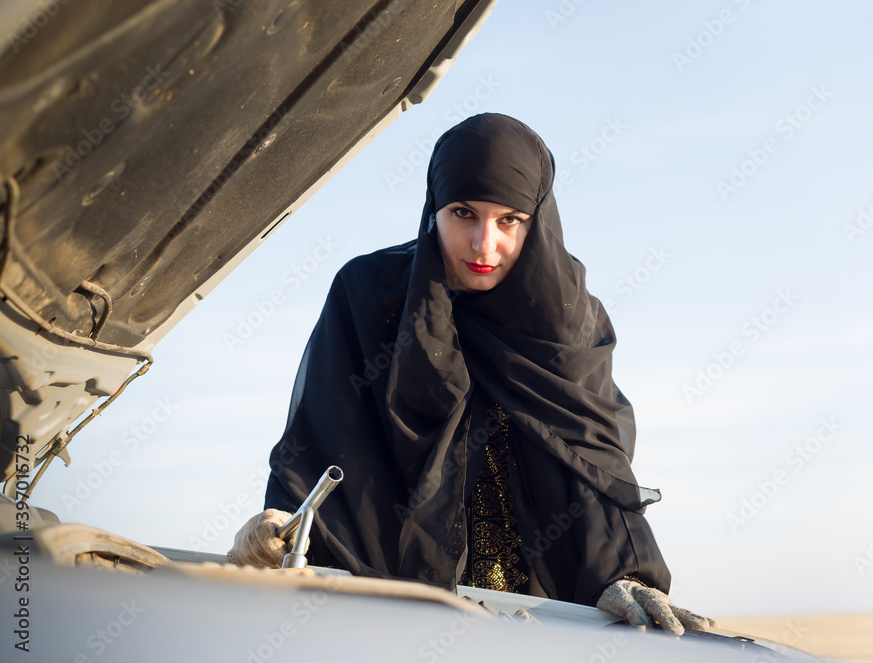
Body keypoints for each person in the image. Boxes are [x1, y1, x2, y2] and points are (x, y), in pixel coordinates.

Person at [229, 113, 714, 634]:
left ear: (538, 218)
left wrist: (625, 571)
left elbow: (589, 454)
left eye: (510, 220)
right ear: (433, 209)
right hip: (390, 614)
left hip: (540, 619)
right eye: (464, 213)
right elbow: (325, 438)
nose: (485, 245)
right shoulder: (370, 296)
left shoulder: (568, 316)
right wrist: (285, 520)